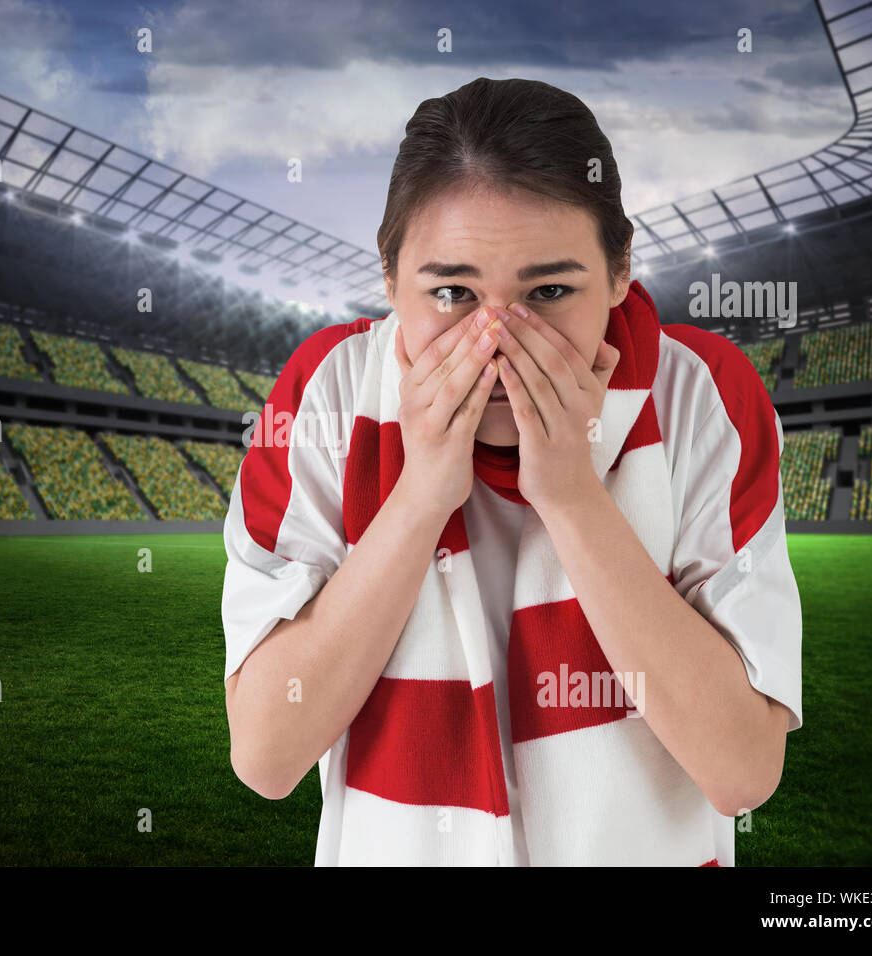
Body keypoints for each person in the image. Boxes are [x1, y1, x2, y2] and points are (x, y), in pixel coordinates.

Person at [221, 77, 803, 866]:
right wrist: (421, 495)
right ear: (391, 279)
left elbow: (741, 770)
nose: (497, 345)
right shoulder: (325, 393)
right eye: (453, 292)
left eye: (552, 290)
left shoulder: (706, 397)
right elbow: (266, 754)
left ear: (621, 271)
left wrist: (570, 496)